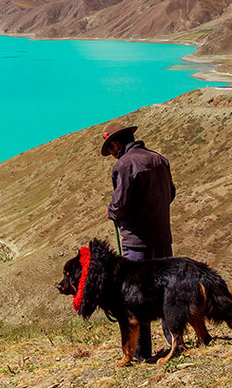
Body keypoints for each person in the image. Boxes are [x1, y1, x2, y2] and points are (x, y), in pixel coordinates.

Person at [100, 121, 175, 361]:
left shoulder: (124, 164)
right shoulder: (159, 159)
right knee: (166, 290)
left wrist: (111, 211)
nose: (112, 154)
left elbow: (120, 203)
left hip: (136, 242)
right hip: (162, 236)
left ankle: (143, 353)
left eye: (110, 149)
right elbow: (171, 193)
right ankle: (175, 342)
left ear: (116, 143)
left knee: (137, 297)